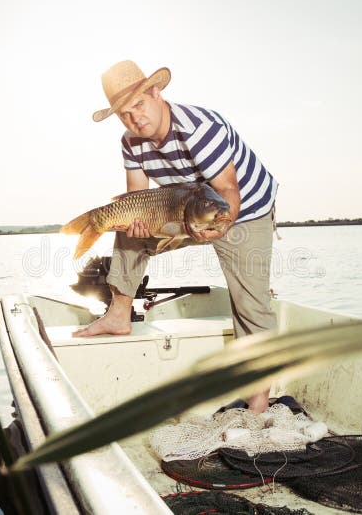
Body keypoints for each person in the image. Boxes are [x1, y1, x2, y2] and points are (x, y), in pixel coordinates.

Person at [74, 60, 279, 413]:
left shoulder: (201, 130)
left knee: (251, 304)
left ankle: (259, 397)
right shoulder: (131, 142)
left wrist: (219, 227)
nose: (135, 119)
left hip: (241, 209)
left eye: (139, 105)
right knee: (129, 234)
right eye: (124, 114)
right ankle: (119, 314)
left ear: (156, 93)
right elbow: (136, 197)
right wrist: (135, 225)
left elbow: (228, 190)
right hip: (178, 207)